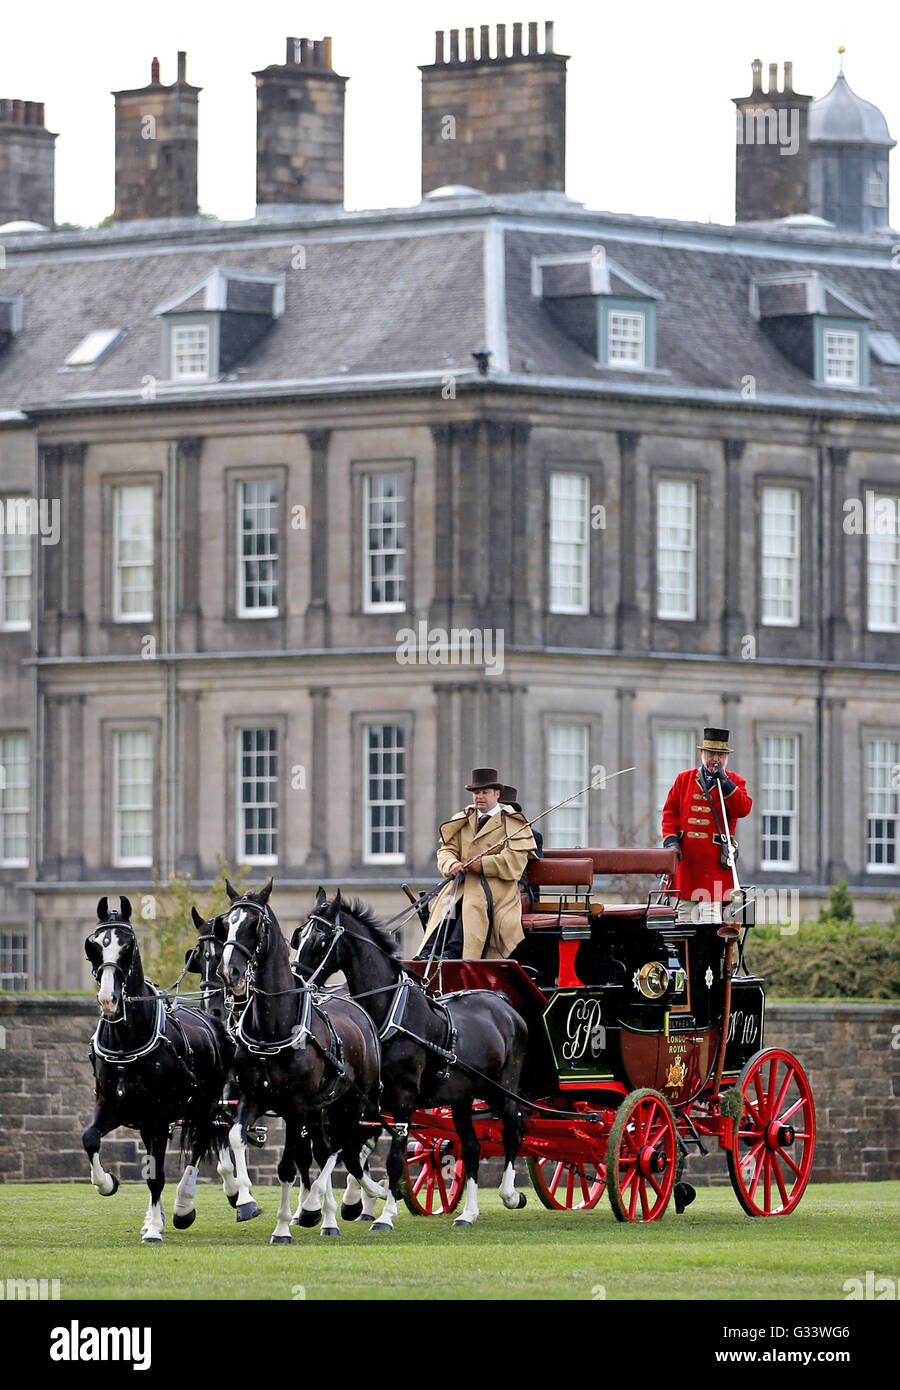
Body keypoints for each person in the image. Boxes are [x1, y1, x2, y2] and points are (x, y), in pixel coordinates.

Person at [417, 768, 537, 960]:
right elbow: (446, 850)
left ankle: (456, 953)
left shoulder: (513, 823)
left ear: (497, 794)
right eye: (476, 793)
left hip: (497, 889)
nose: (479, 797)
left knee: (473, 903)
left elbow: (515, 862)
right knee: (447, 904)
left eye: (485, 792)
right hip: (461, 883)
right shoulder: (462, 819)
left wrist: (484, 864)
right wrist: (451, 864)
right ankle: (429, 951)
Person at [661, 728, 752, 918]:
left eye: (720, 755)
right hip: (686, 864)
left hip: (715, 867)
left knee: (710, 921)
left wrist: (725, 783)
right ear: (702, 754)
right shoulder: (684, 779)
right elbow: (670, 812)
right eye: (711, 754)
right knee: (683, 916)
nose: (715, 760)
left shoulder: (735, 781)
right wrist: (671, 842)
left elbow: (743, 809)